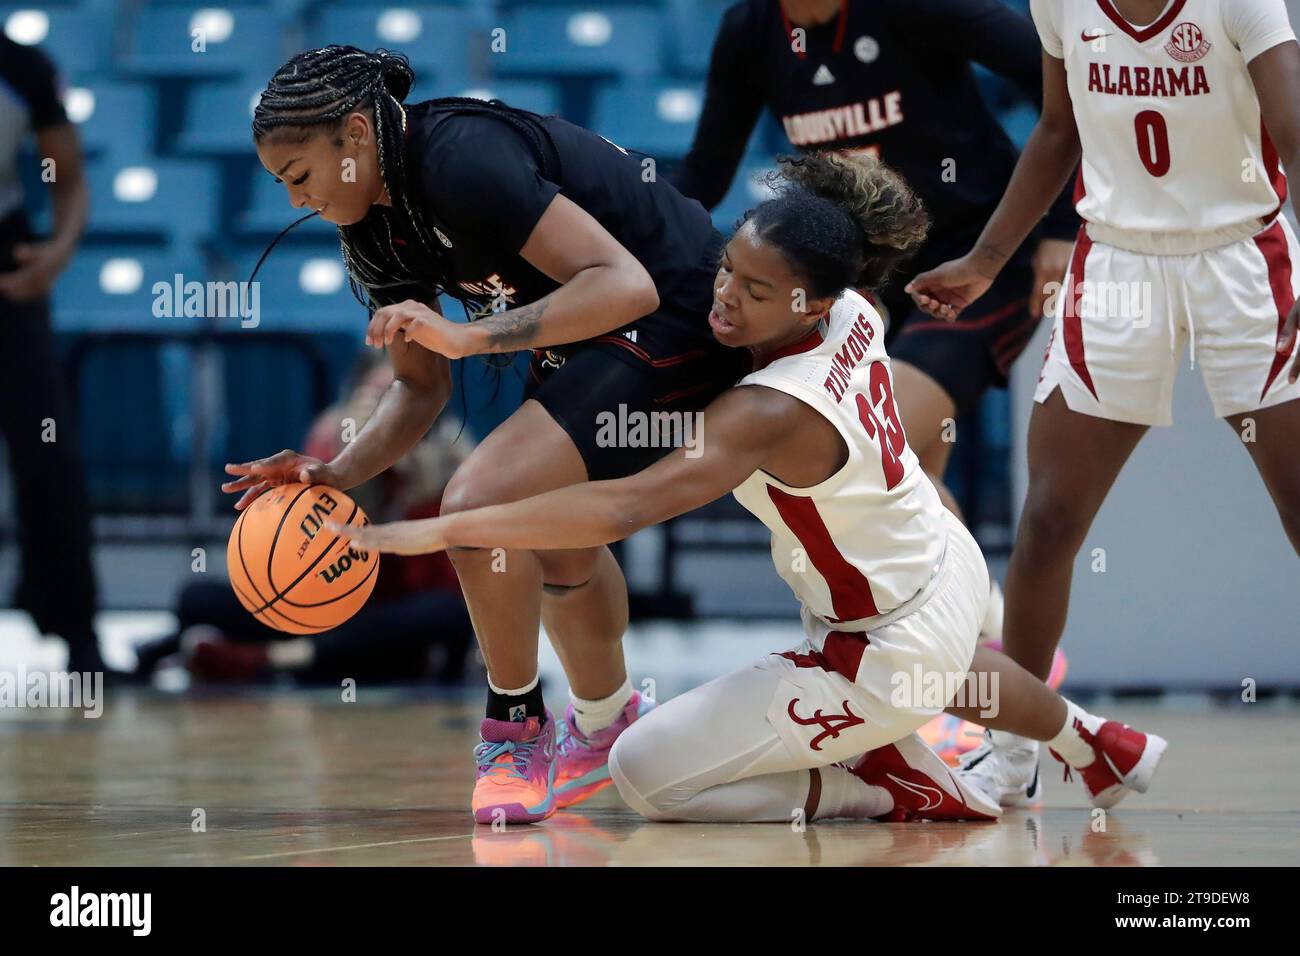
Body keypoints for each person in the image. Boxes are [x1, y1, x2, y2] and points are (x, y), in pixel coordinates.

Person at [332, 153, 1166, 824]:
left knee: (646, 775)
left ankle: (882, 785)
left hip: (872, 645)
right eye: (728, 271)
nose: (724, 299)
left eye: (756, 293)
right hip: (942, 571)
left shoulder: (767, 409)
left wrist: (452, 529)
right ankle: (1092, 739)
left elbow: (625, 506)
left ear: (815, 304)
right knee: (943, 669)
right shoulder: (857, 312)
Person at [221, 47, 750, 823]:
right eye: (282, 185)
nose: (296, 198)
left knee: (479, 505)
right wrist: (336, 472)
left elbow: (624, 282)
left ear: (357, 135)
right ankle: (605, 728)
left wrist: (472, 338)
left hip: (678, 306)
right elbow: (418, 385)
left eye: (300, 174)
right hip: (594, 334)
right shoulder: (370, 230)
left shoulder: (461, 159)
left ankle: (514, 727)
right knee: (556, 538)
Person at [906, 0, 1300, 804]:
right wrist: (987, 259)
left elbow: (1292, 125)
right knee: (1050, 517)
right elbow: (1058, 131)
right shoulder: (1060, 2)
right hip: (1118, 266)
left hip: (1241, 260)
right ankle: (1015, 749)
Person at [139, 353, 474, 685]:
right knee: (196, 598)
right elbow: (298, 550)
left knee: (444, 615)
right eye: (375, 397)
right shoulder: (331, 441)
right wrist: (359, 471)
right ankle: (289, 659)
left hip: (384, 610)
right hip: (317, 603)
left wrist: (409, 488)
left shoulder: (449, 456)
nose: (383, 412)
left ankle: (265, 660)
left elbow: (444, 581)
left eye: (396, 398)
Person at [0, 35, 102, 674]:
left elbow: (69, 183)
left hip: (8, 269)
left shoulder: (22, 67)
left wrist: (58, 251)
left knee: (48, 454)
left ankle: (78, 639)